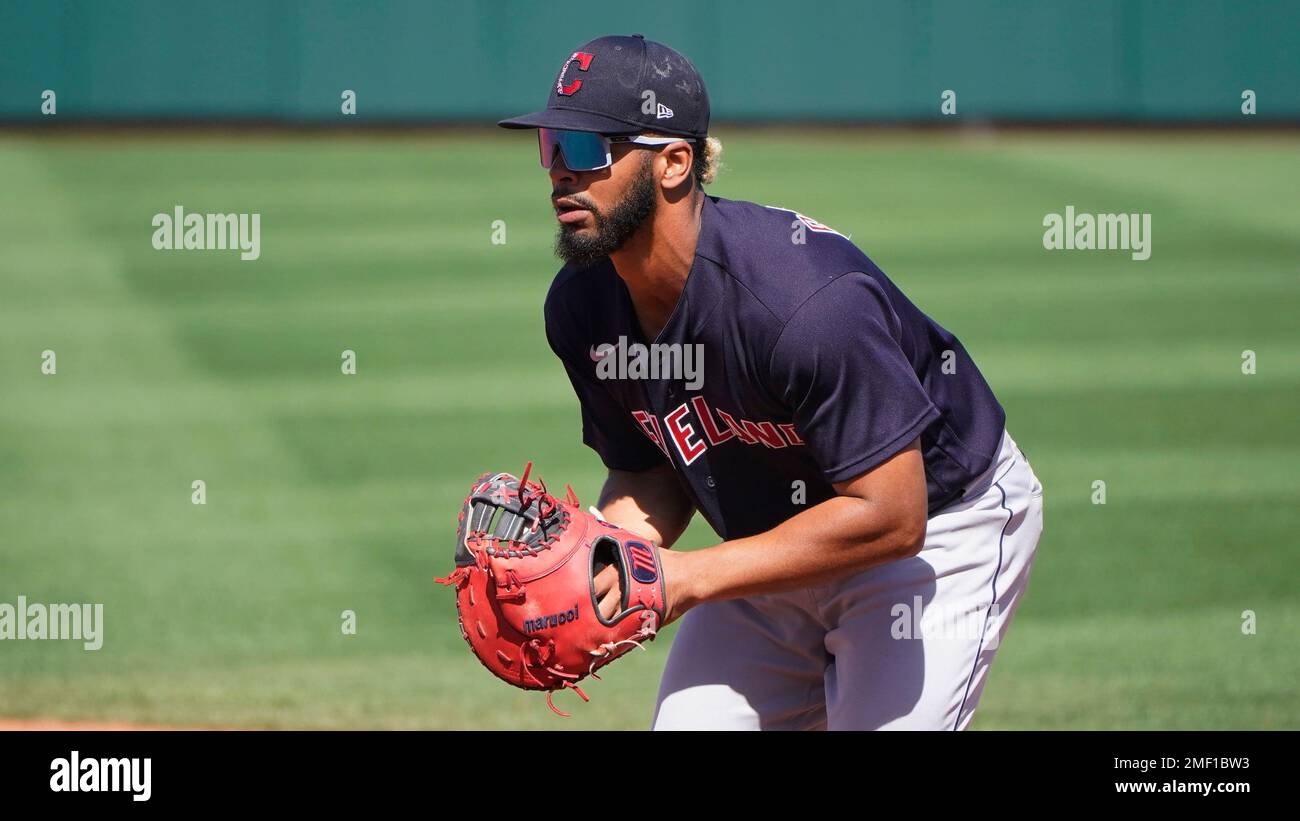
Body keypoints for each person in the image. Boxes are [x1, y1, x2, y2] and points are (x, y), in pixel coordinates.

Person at [498, 34, 1044, 730]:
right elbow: (653, 472)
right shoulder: (582, 306)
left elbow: (891, 514)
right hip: (767, 548)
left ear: (673, 163)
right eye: (550, 146)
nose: (559, 175)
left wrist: (690, 577)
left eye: (585, 150)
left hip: (937, 530)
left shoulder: (803, 305)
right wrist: (598, 554)